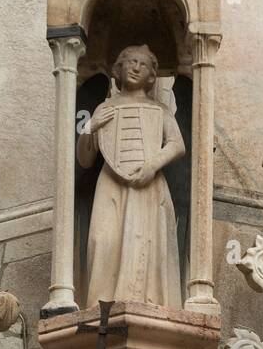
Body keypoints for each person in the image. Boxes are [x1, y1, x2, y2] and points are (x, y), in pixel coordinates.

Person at [77, 44, 184, 308]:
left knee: (144, 239)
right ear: (118, 68)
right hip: (110, 184)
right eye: (130, 61)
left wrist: (152, 165)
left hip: (148, 184)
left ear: (152, 76)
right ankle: (100, 303)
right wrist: (91, 125)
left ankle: (146, 301)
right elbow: (85, 159)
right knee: (102, 240)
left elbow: (177, 144)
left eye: (143, 64)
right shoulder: (105, 107)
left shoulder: (159, 110)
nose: (136, 67)